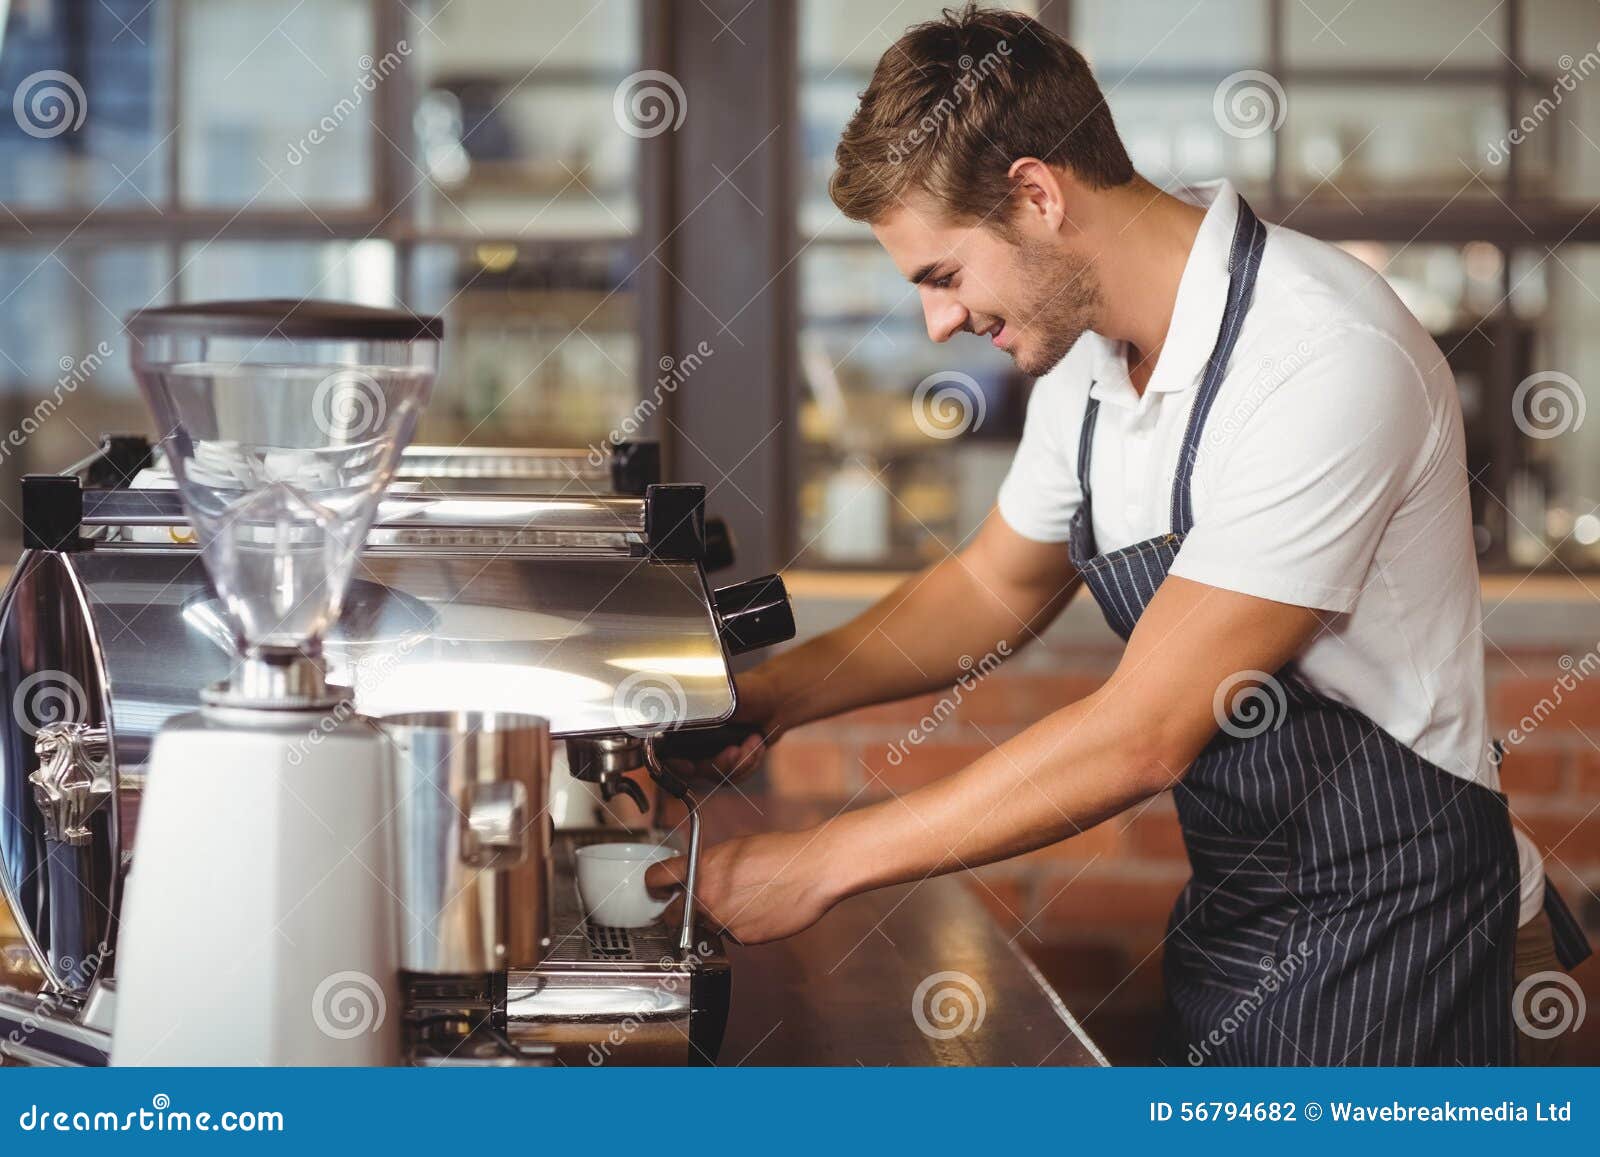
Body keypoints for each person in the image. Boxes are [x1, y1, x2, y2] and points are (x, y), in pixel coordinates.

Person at [646, 5, 1590, 1065]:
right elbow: (995, 587)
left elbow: (1145, 730)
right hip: (1243, 912)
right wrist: (763, 696)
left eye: (943, 276)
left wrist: (820, 861)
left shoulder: (1319, 355)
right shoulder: (1087, 361)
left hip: (1411, 926)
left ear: (1037, 195)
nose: (939, 324)